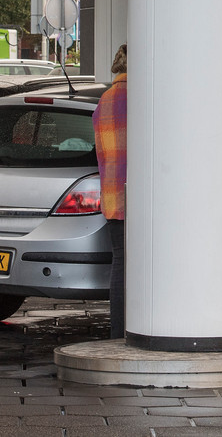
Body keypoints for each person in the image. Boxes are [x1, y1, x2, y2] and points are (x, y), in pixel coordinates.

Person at [93, 43, 128, 339]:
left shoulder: (104, 100)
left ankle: (117, 331)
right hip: (143, 199)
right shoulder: (142, 98)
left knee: (120, 264)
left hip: (114, 197)